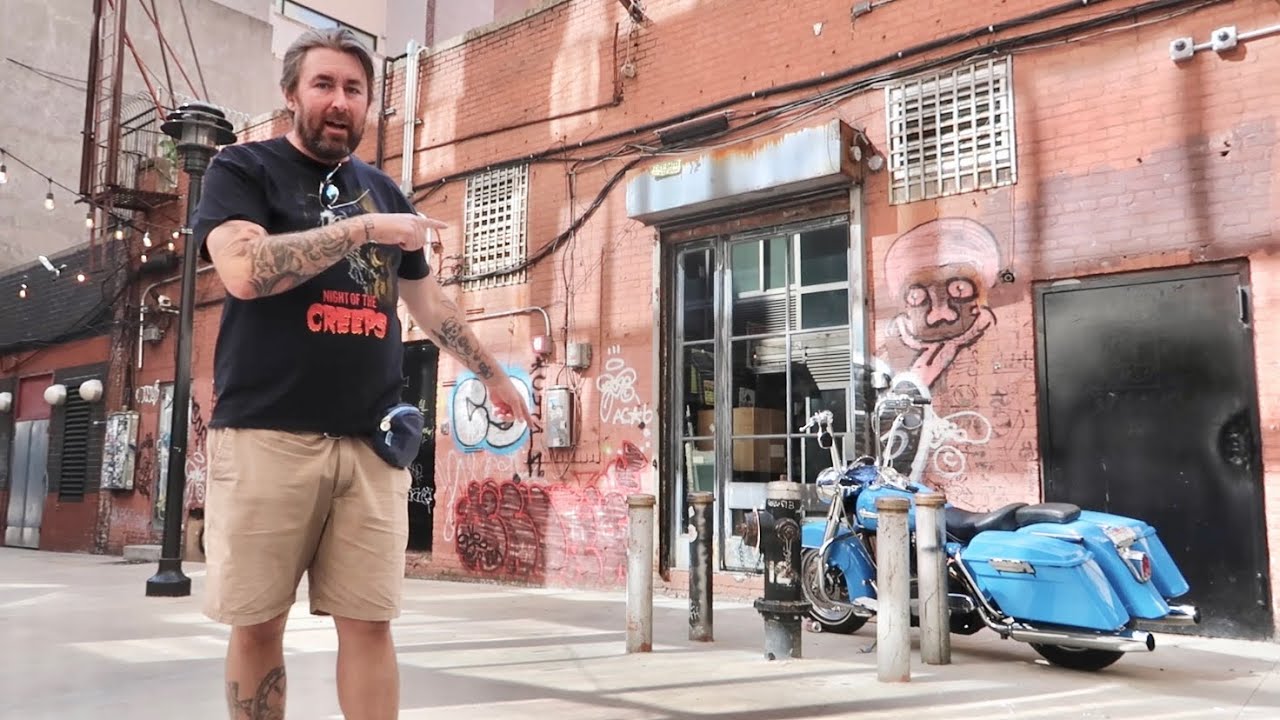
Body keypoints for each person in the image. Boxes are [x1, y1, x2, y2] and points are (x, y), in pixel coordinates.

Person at [192, 27, 536, 720]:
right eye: (323, 85)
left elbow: (425, 302)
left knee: (371, 624)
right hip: (267, 436)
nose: (339, 101)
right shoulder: (243, 170)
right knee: (258, 622)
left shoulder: (383, 188)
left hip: (370, 446)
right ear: (291, 94)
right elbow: (242, 271)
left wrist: (493, 375)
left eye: (354, 90)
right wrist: (362, 231)